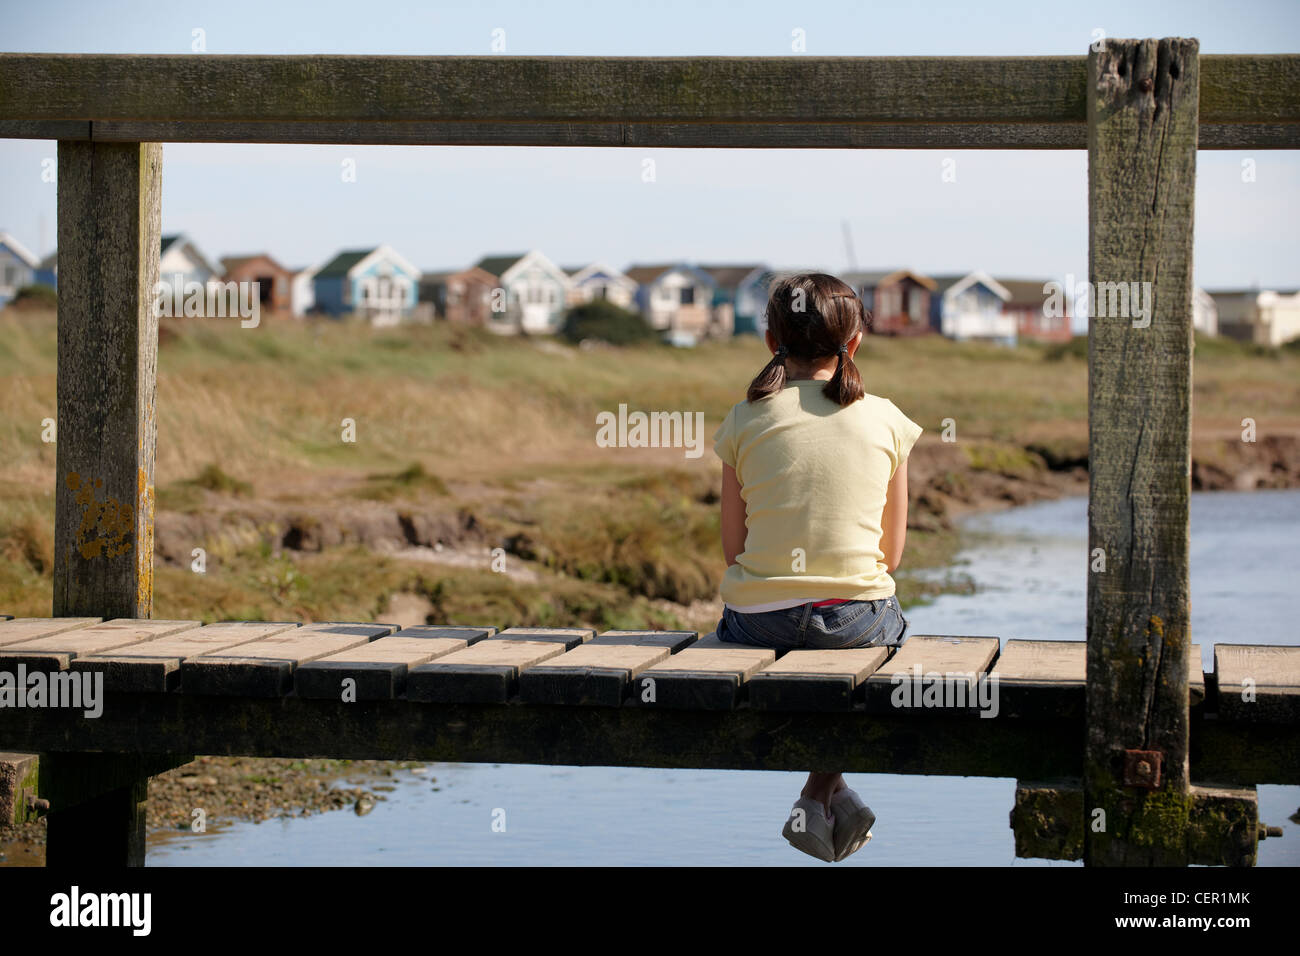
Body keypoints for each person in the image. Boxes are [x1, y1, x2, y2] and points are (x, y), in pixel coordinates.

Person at [711, 272, 923, 863]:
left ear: (771, 337)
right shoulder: (886, 418)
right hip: (859, 621)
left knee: (808, 634)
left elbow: (735, 551)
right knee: (878, 640)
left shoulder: (743, 419)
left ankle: (826, 793)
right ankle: (825, 790)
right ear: (854, 343)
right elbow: (893, 554)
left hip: (760, 623)